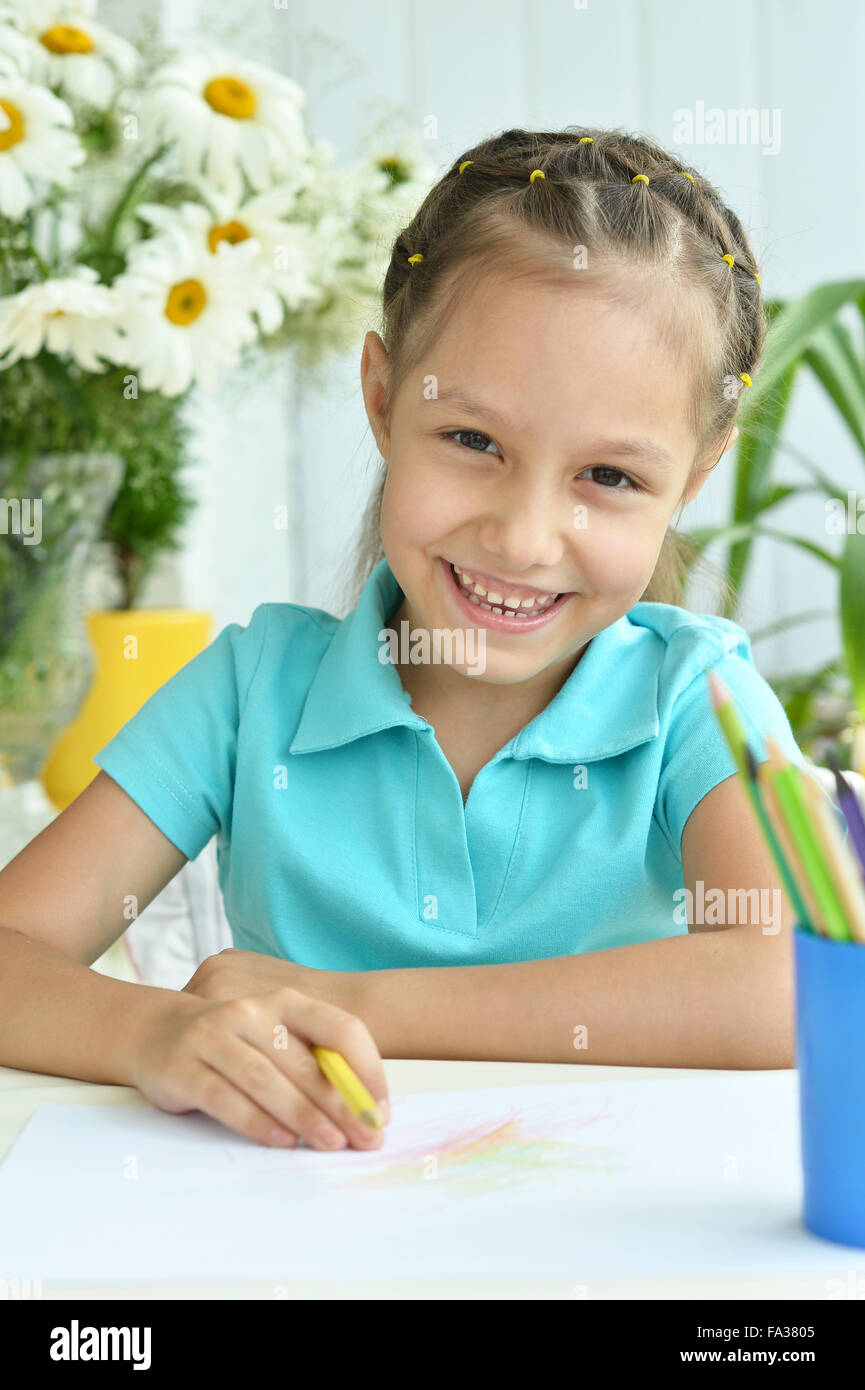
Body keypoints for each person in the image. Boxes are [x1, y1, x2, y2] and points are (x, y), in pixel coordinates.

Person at [0, 126, 805, 1151]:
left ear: (692, 480)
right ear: (383, 400)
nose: (521, 536)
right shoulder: (252, 692)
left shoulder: (695, 698)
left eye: (609, 476)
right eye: (473, 441)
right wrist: (156, 1029)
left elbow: (793, 978)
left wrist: (356, 1003)